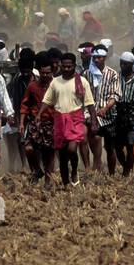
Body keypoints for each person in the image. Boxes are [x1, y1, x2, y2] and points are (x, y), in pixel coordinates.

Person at [40, 52, 93, 186]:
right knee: (62, 155)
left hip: (75, 118)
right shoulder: (55, 82)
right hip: (59, 119)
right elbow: (47, 100)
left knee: (71, 149)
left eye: (69, 67)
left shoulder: (82, 81)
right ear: (60, 66)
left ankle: (74, 170)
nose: (67, 69)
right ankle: (65, 183)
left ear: (74, 66)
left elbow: (89, 102)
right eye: (64, 66)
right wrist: (38, 114)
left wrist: (94, 120)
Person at [20, 53, 57, 180]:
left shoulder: (57, 86)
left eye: (48, 73)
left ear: (52, 72)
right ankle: (36, 170)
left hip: (52, 123)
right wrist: (21, 123)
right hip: (35, 123)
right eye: (42, 73)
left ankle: (48, 179)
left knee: (49, 154)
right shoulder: (32, 86)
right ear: (39, 72)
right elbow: (24, 105)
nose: (45, 75)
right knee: (28, 148)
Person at [84, 45, 118, 173]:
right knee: (94, 135)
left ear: (105, 58)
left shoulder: (112, 74)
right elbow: (85, 95)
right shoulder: (87, 74)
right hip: (92, 112)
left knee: (110, 147)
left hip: (109, 114)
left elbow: (115, 95)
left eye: (100, 57)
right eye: (95, 57)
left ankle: (112, 173)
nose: (97, 60)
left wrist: (105, 108)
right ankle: (96, 163)